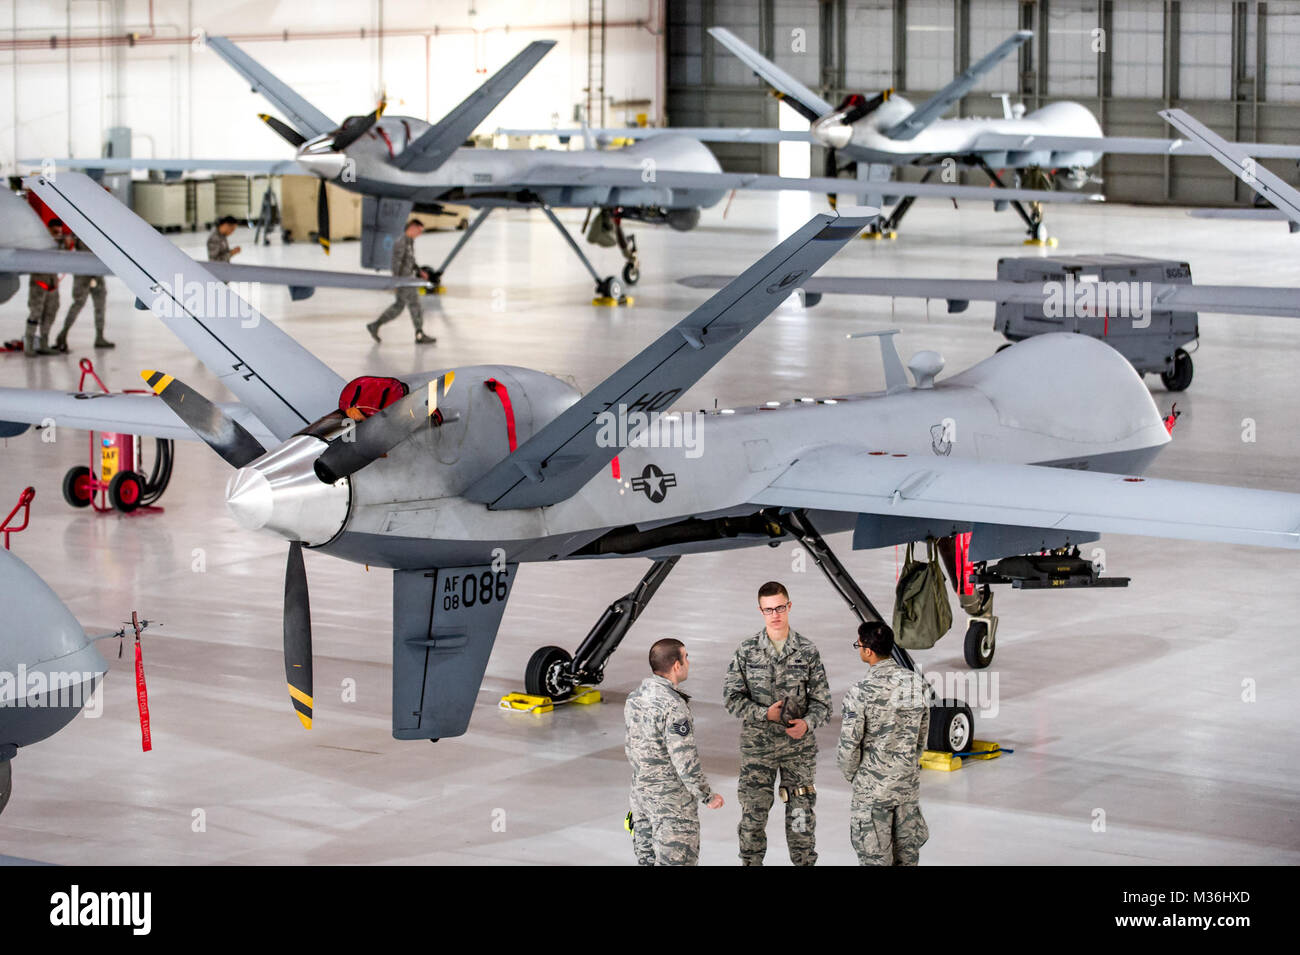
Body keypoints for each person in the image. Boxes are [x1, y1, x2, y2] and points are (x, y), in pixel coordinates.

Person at [722, 581, 831, 865]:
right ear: (761, 611)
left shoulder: (806, 650)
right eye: (769, 609)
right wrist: (763, 714)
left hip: (798, 749)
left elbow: (823, 703)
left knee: (801, 816)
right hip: (758, 749)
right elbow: (731, 698)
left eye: (780, 608)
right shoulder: (747, 651)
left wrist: (807, 723)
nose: (775, 614)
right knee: (753, 816)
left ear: (789, 607)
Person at [837, 620, 931, 866]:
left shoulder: (860, 692)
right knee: (907, 860)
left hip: (872, 793)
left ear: (868, 650)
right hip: (906, 790)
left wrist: (857, 778)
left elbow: (849, 747)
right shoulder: (916, 684)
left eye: (858, 644)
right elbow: (922, 736)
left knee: (874, 860)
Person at [624, 638, 724, 865]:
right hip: (672, 806)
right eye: (686, 657)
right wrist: (707, 795)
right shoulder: (673, 706)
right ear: (677, 665)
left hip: (641, 799)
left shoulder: (634, 698)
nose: (688, 662)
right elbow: (684, 760)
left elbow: (632, 747)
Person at [366, 219, 435, 345]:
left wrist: (419, 271)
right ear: (412, 227)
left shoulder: (409, 242)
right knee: (411, 306)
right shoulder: (401, 242)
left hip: (408, 279)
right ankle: (419, 334)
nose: (419, 234)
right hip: (403, 281)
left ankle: (376, 325)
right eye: (419, 231)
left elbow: (410, 261)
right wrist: (396, 281)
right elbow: (396, 263)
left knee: (402, 306)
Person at [55, 236, 113, 351]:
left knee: (100, 306)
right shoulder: (79, 229)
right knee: (78, 303)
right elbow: (66, 246)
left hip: (96, 271)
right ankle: (63, 334)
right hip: (82, 271)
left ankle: (99, 337)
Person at [24, 218, 65, 357]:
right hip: (39, 282)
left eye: (59, 232)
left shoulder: (59, 243)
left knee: (50, 313)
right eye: (55, 232)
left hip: (52, 283)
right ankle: (28, 344)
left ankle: (44, 343)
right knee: (36, 312)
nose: (57, 234)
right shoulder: (38, 242)